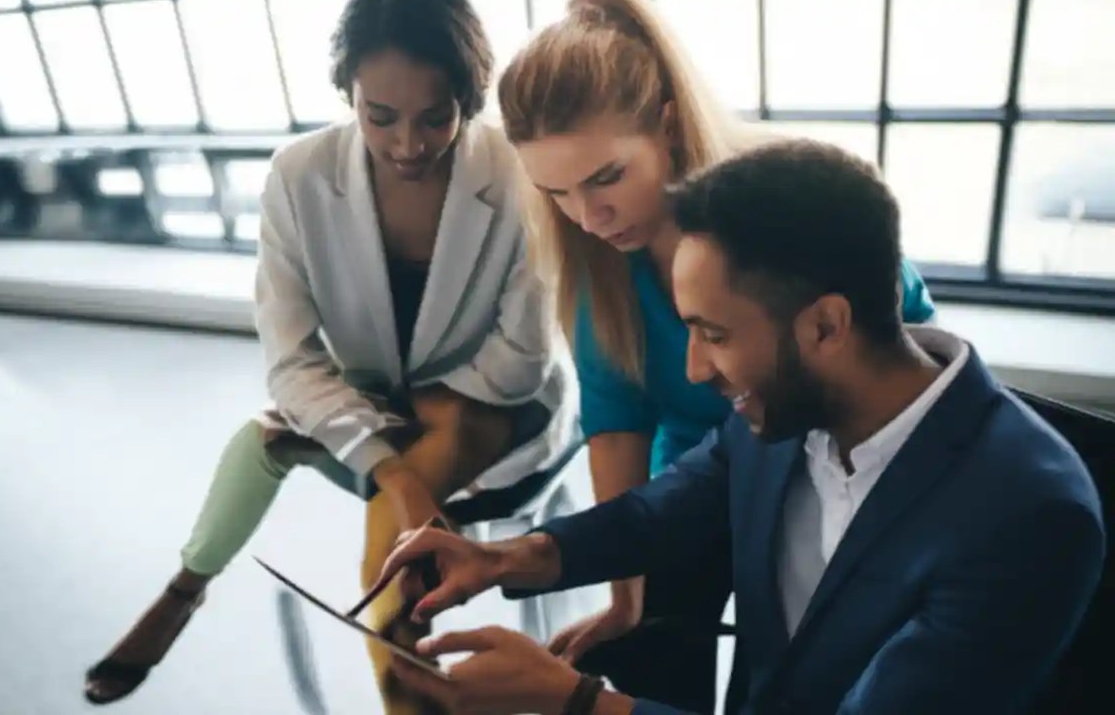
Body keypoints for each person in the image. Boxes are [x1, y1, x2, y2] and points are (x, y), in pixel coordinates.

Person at [374, 140, 1105, 715]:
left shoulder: (1032, 518)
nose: (695, 370)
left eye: (714, 334)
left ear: (825, 324)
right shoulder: (786, 407)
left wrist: (575, 701)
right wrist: (505, 560)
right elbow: (665, 509)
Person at [82, 0, 571, 709]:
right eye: (381, 117)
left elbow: (523, 352)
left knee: (391, 559)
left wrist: (410, 436)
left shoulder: (515, 171)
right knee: (263, 437)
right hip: (380, 407)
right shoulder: (299, 176)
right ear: (348, 93)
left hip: (496, 404)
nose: (409, 144)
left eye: (436, 117)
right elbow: (292, 360)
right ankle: (181, 594)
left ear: (468, 97)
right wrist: (393, 468)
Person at [494, 0, 934, 709]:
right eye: (558, 193)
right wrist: (624, 597)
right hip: (694, 483)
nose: (587, 216)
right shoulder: (594, 259)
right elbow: (616, 428)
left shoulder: (787, 198)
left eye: (606, 178)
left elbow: (903, 341)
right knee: (646, 650)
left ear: (666, 123)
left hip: (825, 465)